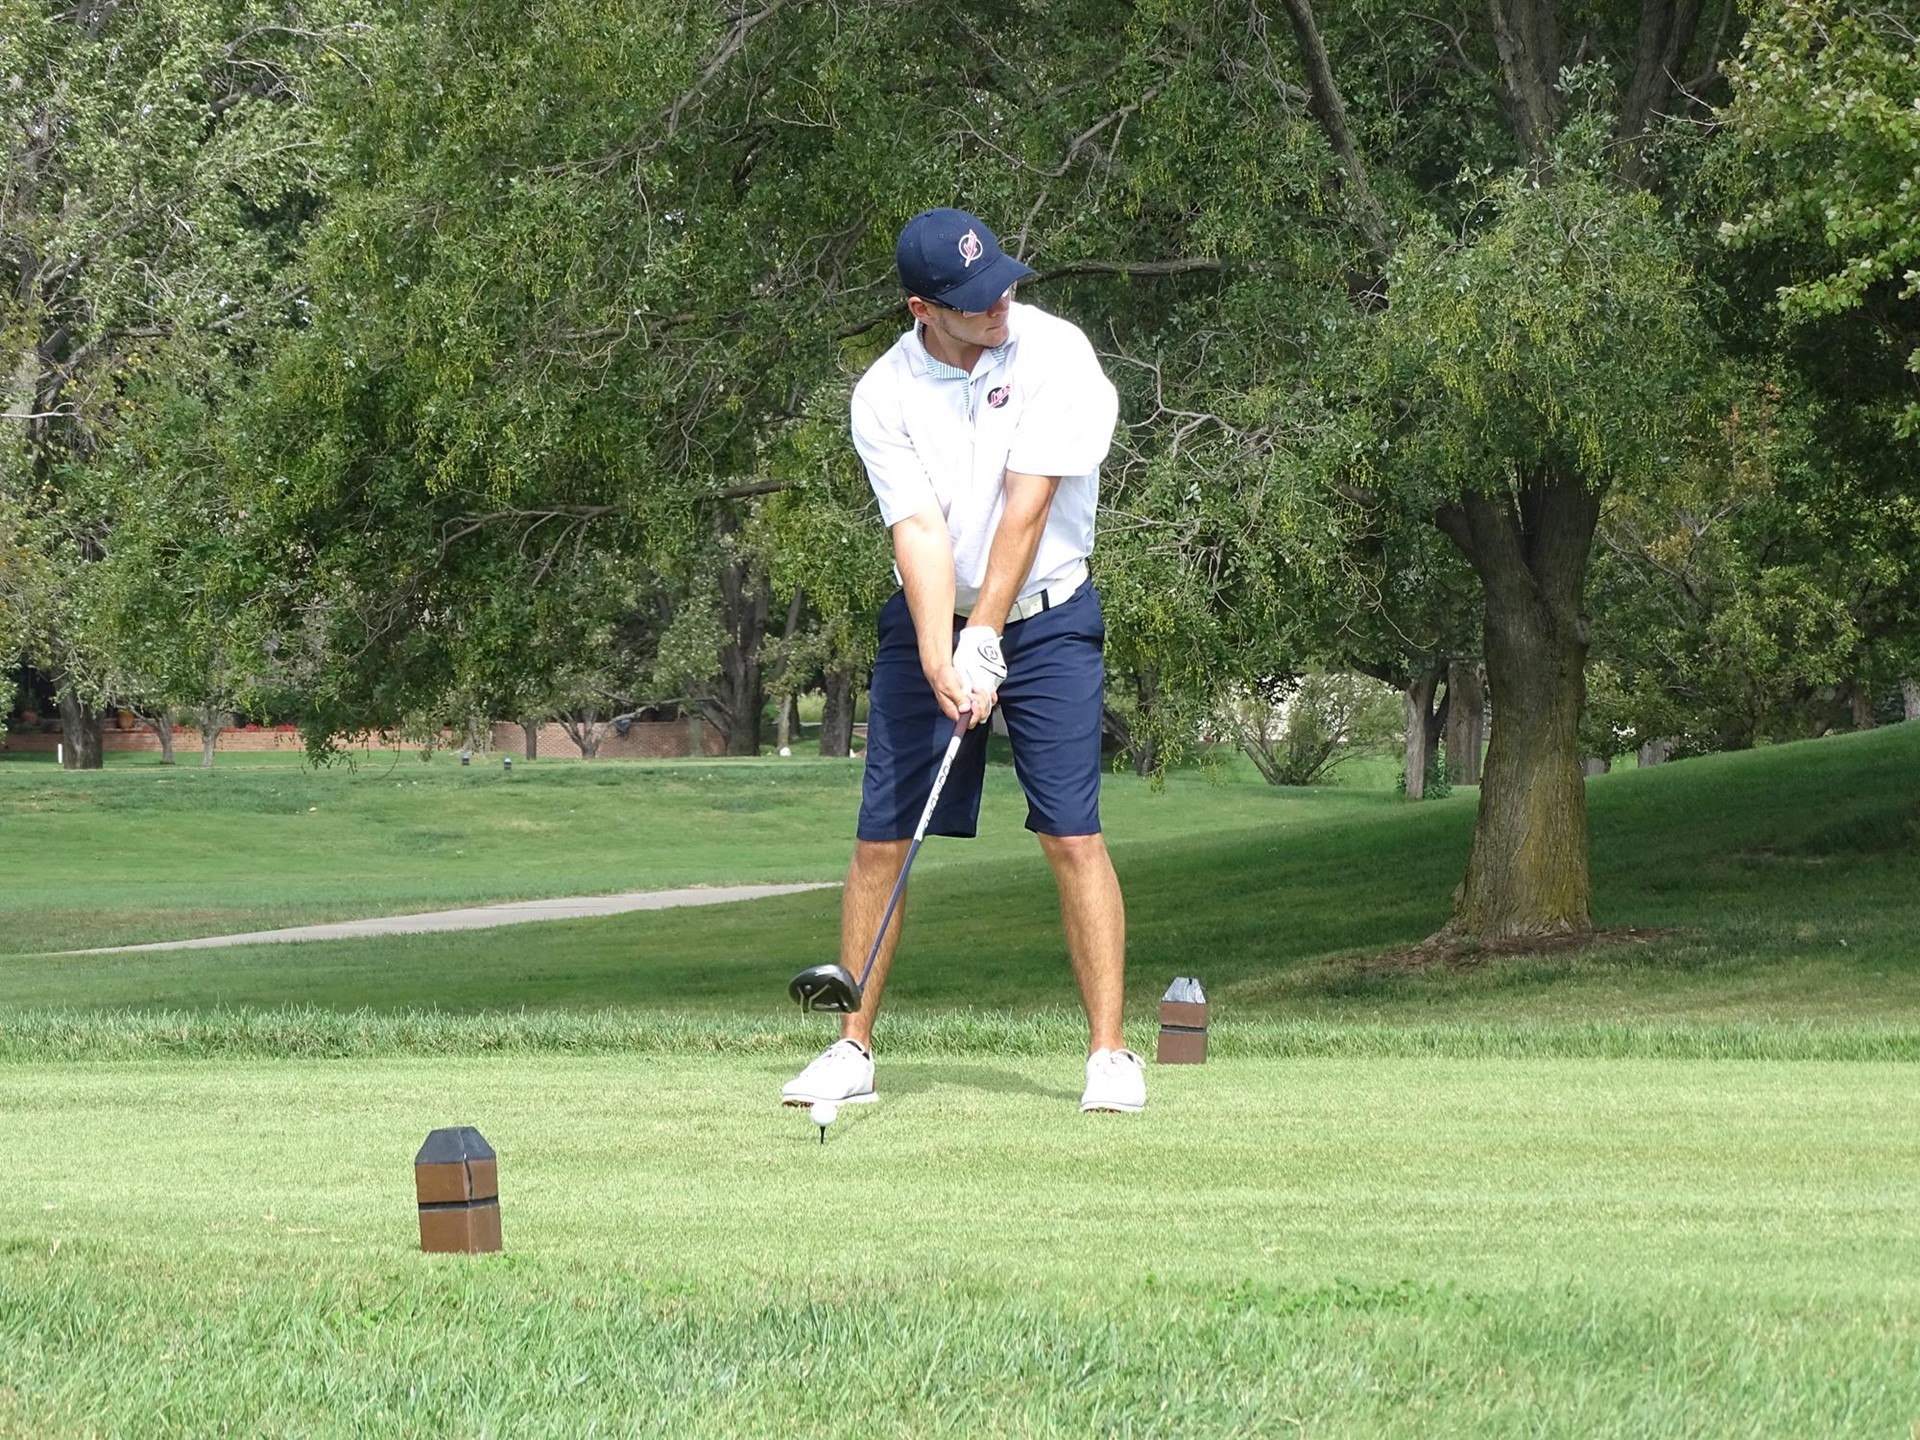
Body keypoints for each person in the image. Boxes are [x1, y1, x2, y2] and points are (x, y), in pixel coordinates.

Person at [781, 207, 1144, 1115]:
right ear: (921, 309)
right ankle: (852, 1048)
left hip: (1051, 612)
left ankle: (1109, 1056)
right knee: (880, 841)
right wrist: (944, 653)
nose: (1002, 306)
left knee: (1071, 833)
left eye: (1006, 285)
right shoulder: (883, 396)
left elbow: (1028, 510)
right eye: (979, 300)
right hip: (930, 618)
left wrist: (985, 639)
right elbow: (920, 530)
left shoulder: (1057, 353)